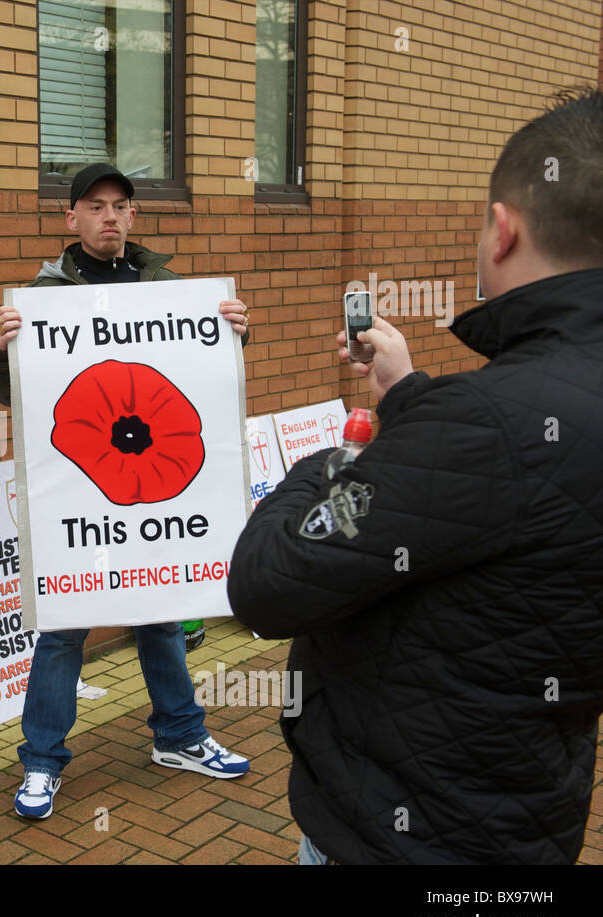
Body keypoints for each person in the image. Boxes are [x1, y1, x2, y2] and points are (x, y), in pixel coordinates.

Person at [227, 88, 603, 863]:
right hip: (527, 820)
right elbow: (521, 477)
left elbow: (268, 579)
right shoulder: (508, 416)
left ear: (502, 232)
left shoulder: (482, 424)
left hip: (406, 831)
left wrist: (338, 460)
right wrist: (409, 397)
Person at [0, 163, 253, 819]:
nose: (109, 216)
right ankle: (42, 762)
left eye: (120, 206)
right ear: (70, 218)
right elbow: (3, 392)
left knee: (161, 611)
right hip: (78, 498)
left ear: (133, 217)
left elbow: (203, 378)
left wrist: (234, 332)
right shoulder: (41, 297)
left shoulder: (166, 288)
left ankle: (180, 736)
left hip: (150, 493)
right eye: (95, 206)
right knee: (63, 628)